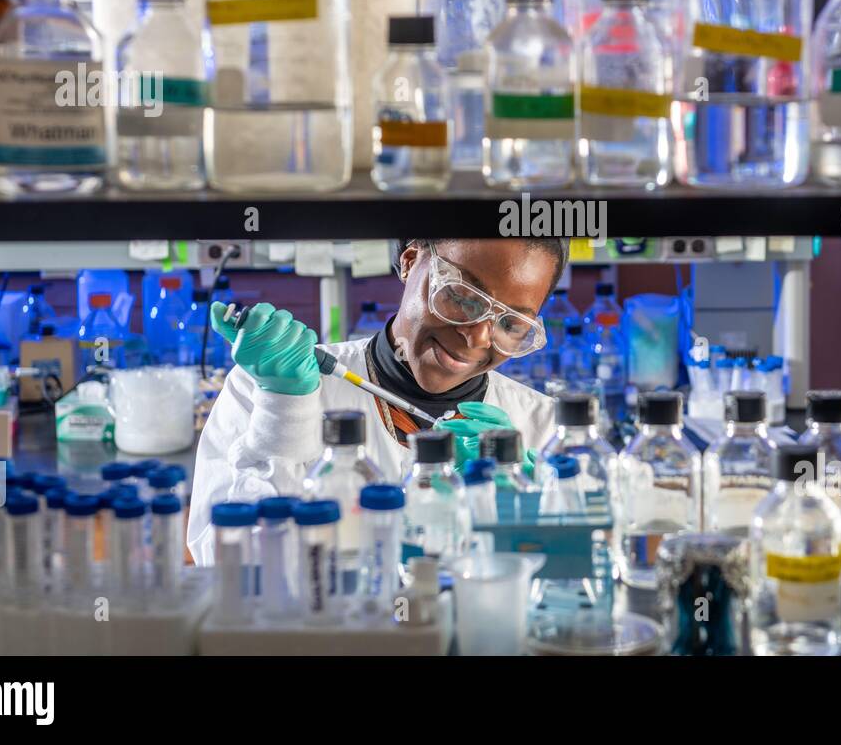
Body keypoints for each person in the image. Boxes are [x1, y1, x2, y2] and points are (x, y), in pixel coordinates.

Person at [187, 238, 565, 564]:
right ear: (411, 260)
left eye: (511, 324)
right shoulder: (269, 383)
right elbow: (226, 568)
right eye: (462, 298)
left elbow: (565, 591)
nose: (478, 337)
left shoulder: (544, 428)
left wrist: (528, 515)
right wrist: (283, 414)